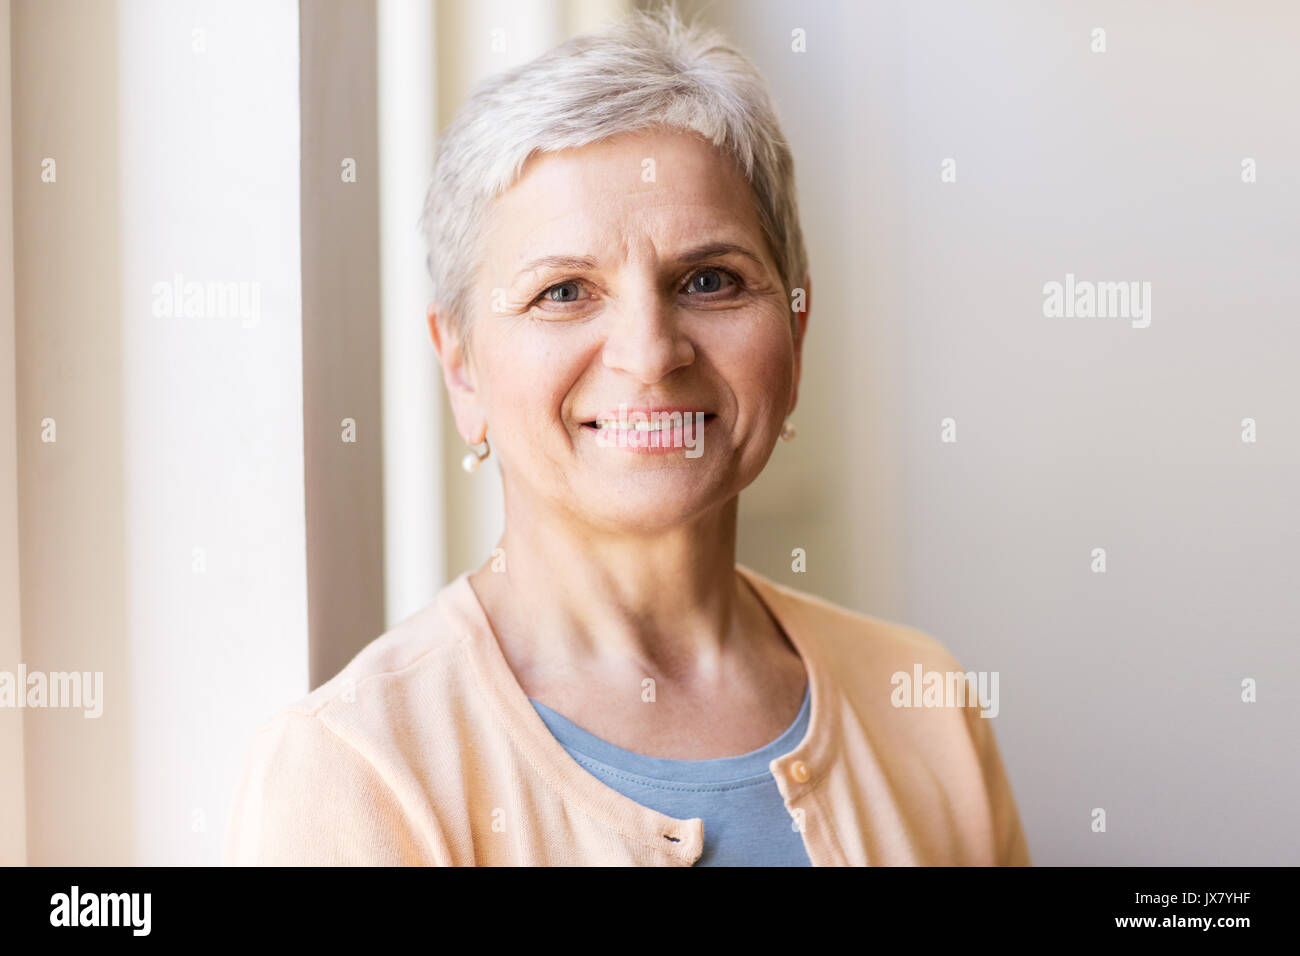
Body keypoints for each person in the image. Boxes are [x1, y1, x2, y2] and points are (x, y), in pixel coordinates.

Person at [224, 4, 1030, 866]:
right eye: (565, 291)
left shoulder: (925, 700)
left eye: (711, 279)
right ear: (462, 367)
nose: (650, 356)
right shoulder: (355, 771)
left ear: (794, 335)